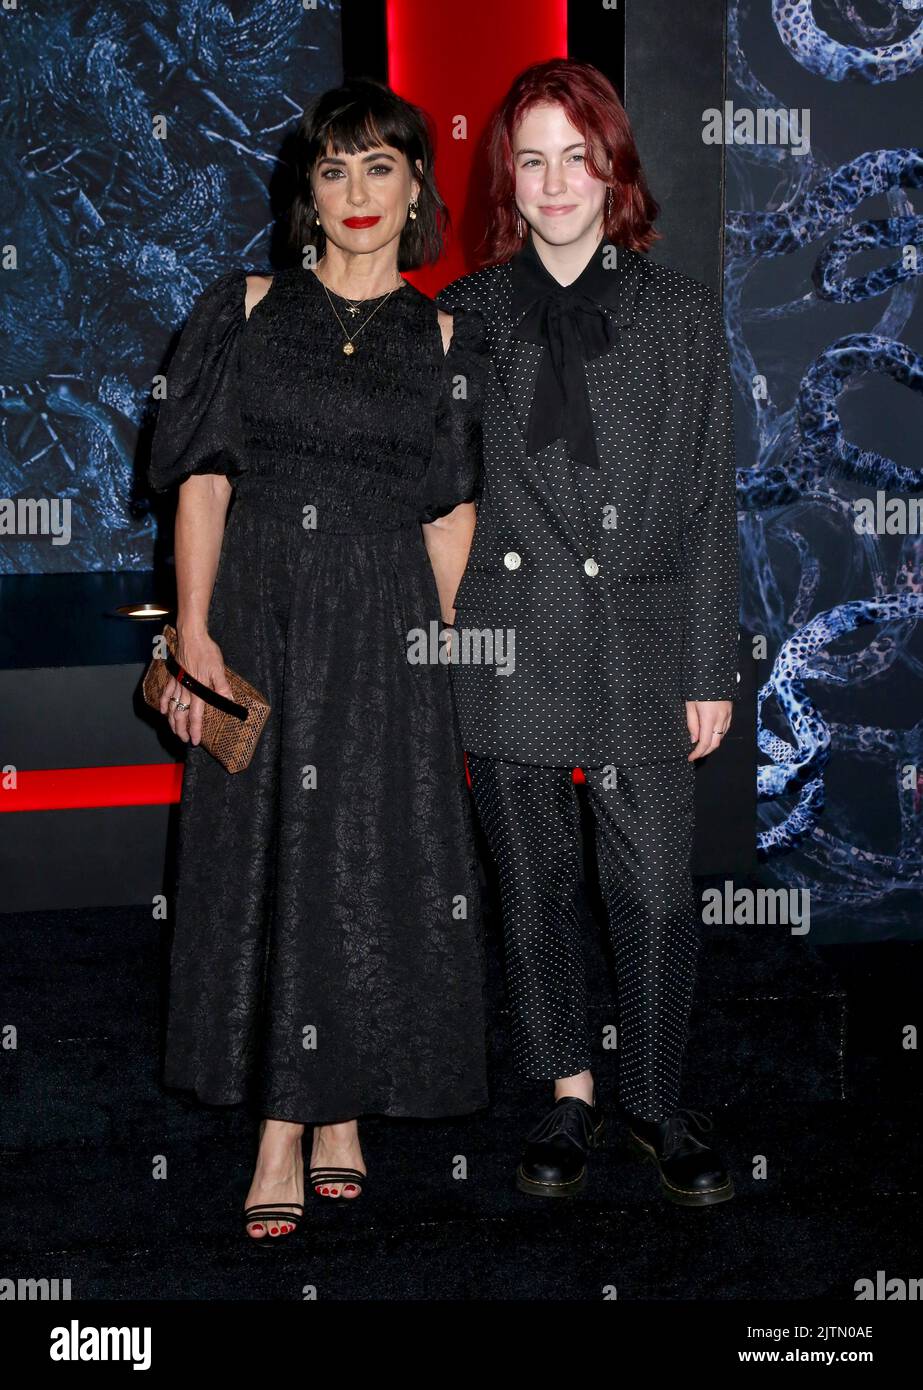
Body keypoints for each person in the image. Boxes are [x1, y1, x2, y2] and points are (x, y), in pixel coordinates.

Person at [147, 77, 490, 1240]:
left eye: (378, 167)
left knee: (364, 866)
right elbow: (202, 481)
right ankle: (279, 1129)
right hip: (260, 614)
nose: (354, 191)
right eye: (332, 169)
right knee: (262, 864)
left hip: (386, 629)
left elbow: (450, 517)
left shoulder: (444, 336)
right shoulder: (242, 308)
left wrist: (441, 661)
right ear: (308, 195)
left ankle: (338, 1107)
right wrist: (195, 637)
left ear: (411, 194)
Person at [436, 58, 740, 1206]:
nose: (556, 181)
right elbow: (434, 495)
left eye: (578, 155)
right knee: (532, 886)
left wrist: (707, 663)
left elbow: (709, 497)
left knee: (657, 890)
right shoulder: (464, 317)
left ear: (611, 167)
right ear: (506, 179)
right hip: (512, 639)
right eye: (532, 159)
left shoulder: (673, 309)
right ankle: (567, 1093)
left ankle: (656, 1100)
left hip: (643, 637)